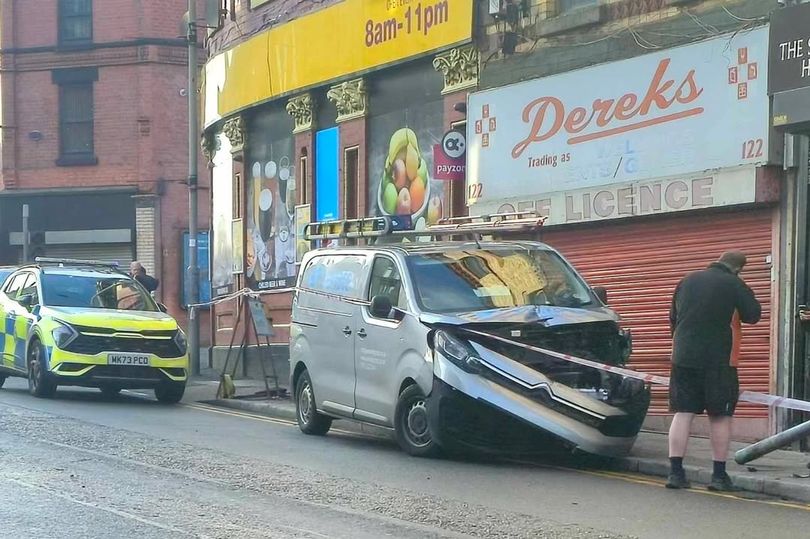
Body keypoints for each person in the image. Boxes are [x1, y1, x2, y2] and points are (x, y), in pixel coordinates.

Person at [666, 251, 761, 491]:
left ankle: (675, 473)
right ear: (738, 269)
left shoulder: (687, 280)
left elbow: (673, 318)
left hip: (683, 357)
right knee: (720, 416)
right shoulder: (733, 282)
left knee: (683, 413)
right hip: (719, 360)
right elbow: (753, 315)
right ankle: (719, 477)